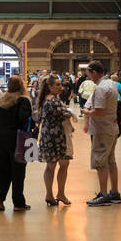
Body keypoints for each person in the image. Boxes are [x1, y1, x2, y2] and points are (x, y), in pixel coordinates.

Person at [0, 75, 33, 212]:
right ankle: (18, 203)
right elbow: (24, 118)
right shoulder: (23, 100)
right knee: (18, 170)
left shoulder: (2, 100)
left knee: (4, 169)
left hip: (1, 138)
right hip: (18, 139)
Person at [83, 61, 121, 207]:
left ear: (94, 72)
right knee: (111, 161)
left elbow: (98, 112)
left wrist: (86, 112)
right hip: (112, 128)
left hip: (102, 130)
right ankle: (114, 193)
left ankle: (104, 194)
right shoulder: (111, 84)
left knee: (100, 162)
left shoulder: (100, 88)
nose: (89, 78)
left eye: (89, 75)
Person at [35, 76, 73, 205]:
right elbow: (65, 114)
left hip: (46, 136)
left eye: (60, 84)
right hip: (57, 137)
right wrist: (69, 112)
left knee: (50, 166)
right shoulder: (54, 101)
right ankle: (60, 193)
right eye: (57, 84)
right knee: (64, 164)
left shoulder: (44, 100)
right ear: (50, 87)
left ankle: (49, 195)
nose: (60, 86)